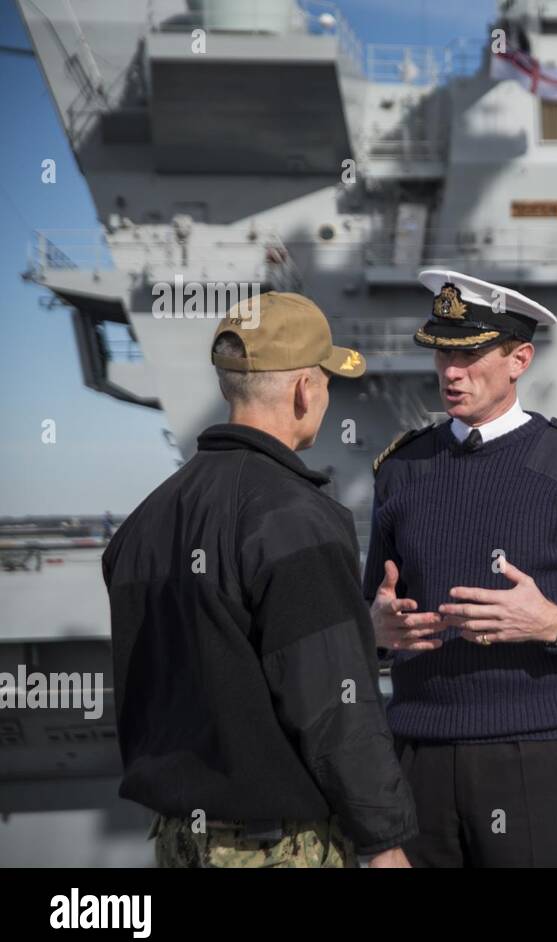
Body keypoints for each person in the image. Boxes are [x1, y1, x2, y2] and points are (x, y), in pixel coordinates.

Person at [102, 291, 417, 868]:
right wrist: (384, 841)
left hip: (177, 844)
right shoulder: (296, 518)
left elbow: (225, 654)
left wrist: (357, 632)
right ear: (305, 389)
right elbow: (333, 704)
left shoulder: (143, 523)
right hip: (277, 846)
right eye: (325, 380)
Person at [364, 268, 557, 867]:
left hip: (532, 759)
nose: (451, 371)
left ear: (519, 359)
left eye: (470, 354)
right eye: (443, 353)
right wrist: (372, 633)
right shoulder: (401, 468)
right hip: (417, 757)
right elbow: (371, 611)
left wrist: (553, 624)